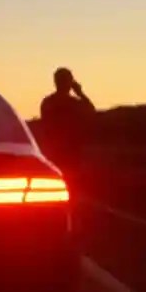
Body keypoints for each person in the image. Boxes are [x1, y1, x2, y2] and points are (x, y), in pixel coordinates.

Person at [39, 67, 96, 204]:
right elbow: (91, 111)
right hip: (67, 152)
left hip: (59, 152)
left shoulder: (48, 102)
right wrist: (80, 93)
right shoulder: (72, 103)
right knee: (70, 190)